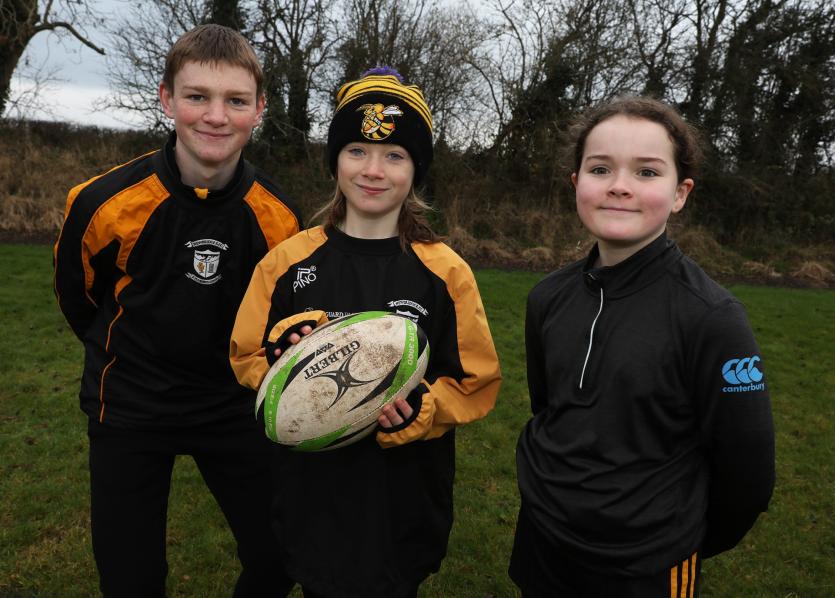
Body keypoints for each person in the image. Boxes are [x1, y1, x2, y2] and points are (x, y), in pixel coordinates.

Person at [229, 67, 502, 598]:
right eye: (356, 150)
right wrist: (284, 360)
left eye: (394, 155)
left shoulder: (445, 272)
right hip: (311, 493)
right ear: (335, 160)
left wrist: (422, 407)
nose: (373, 170)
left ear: (416, 170)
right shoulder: (287, 261)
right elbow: (246, 356)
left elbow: (476, 381)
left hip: (399, 498)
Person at [53, 24, 300, 598]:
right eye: (197, 96)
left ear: (259, 109)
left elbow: (279, 319)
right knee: (131, 581)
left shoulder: (280, 217)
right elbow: (78, 299)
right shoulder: (101, 203)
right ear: (167, 99)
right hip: (131, 407)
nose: (215, 116)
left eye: (235, 100)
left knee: (282, 556)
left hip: (231, 407)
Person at [509, 96, 775, 597]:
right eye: (600, 169)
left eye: (647, 172)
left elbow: (749, 476)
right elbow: (548, 407)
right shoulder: (547, 297)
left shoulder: (712, 318)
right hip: (543, 542)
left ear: (680, 193)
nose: (619, 185)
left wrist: (674, 537)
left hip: (644, 566)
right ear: (576, 183)